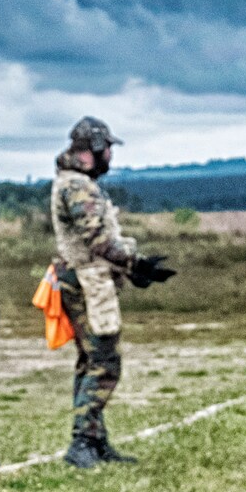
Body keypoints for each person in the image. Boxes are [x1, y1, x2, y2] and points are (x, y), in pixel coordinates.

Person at [50, 116, 172, 469]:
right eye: (107, 151)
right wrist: (135, 266)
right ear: (95, 150)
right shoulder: (78, 187)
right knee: (104, 362)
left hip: (85, 277)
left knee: (92, 360)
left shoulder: (75, 182)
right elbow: (98, 241)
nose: (110, 159)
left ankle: (95, 439)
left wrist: (131, 266)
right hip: (87, 280)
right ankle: (83, 441)